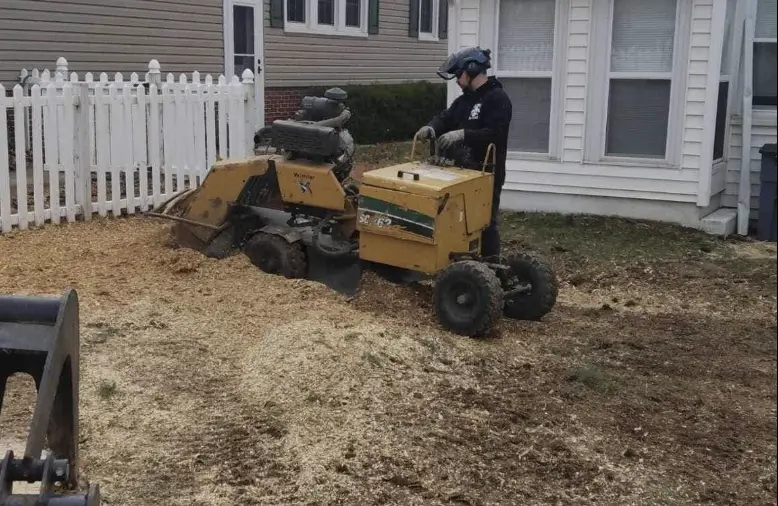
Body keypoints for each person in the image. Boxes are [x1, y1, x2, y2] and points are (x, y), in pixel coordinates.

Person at [415, 46, 513, 259]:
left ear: (472, 70)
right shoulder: (464, 101)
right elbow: (446, 117)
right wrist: (432, 127)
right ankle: (459, 263)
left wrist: (463, 134)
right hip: (460, 170)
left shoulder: (497, 98)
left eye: (459, 75)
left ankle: (490, 265)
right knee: (456, 220)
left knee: (484, 222)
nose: (457, 81)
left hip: (486, 171)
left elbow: (496, 133)